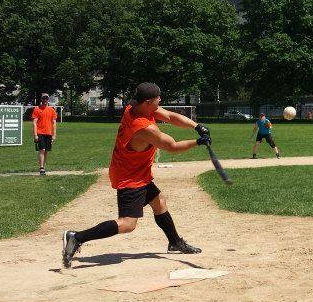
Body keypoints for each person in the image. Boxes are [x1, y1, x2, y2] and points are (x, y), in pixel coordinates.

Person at [61, 82, 209, 269]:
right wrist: (198, 142)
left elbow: (170, 116)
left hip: (134, 170)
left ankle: (175, 242)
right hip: (130, 176)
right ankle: (76, 237)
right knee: (128, 224)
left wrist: (197, 126)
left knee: (159, 201)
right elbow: (172, 146)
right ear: (148, 102)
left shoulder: (135, 108)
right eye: (158, 99)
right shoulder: (144, 128)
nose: (160, 101)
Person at [32, 93, 58, 176]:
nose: (45, 100)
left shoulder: (52, 110)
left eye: (46, 98)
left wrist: (54, 135)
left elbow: (54, 123)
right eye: (44, 98)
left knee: (46, 151)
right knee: (42, 150)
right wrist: (35, 134)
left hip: (48, 133)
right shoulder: (37, 109)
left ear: (48, 100)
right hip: (40, 133)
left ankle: (43, 167)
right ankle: (41, 168)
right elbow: (34, 122)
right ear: (41, 99)